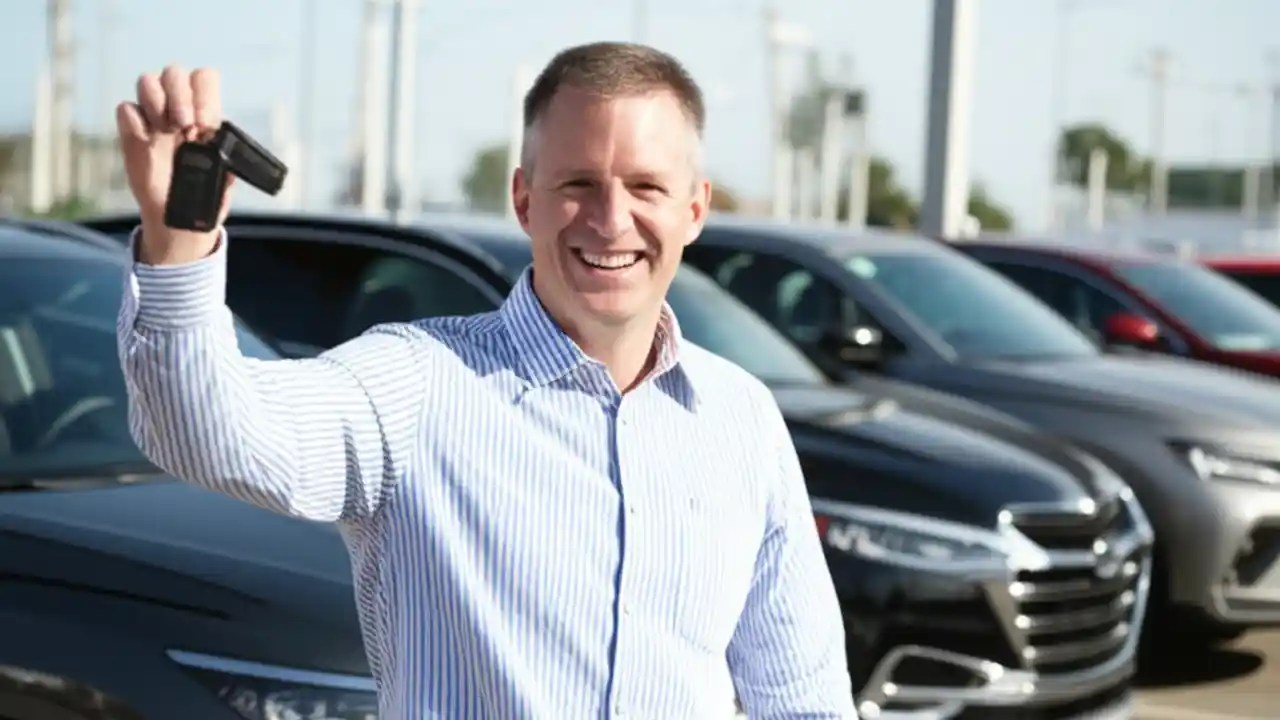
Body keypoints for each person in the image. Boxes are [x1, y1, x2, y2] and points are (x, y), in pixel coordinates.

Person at [114, 41, 856, 718]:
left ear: (694, 210)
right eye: (579, 183)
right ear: (524, 199)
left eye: (645, 187)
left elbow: (802, 697)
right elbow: (207, 433)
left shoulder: (741, 419)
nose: (610, 219)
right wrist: (178, 239)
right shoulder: (415, 387)